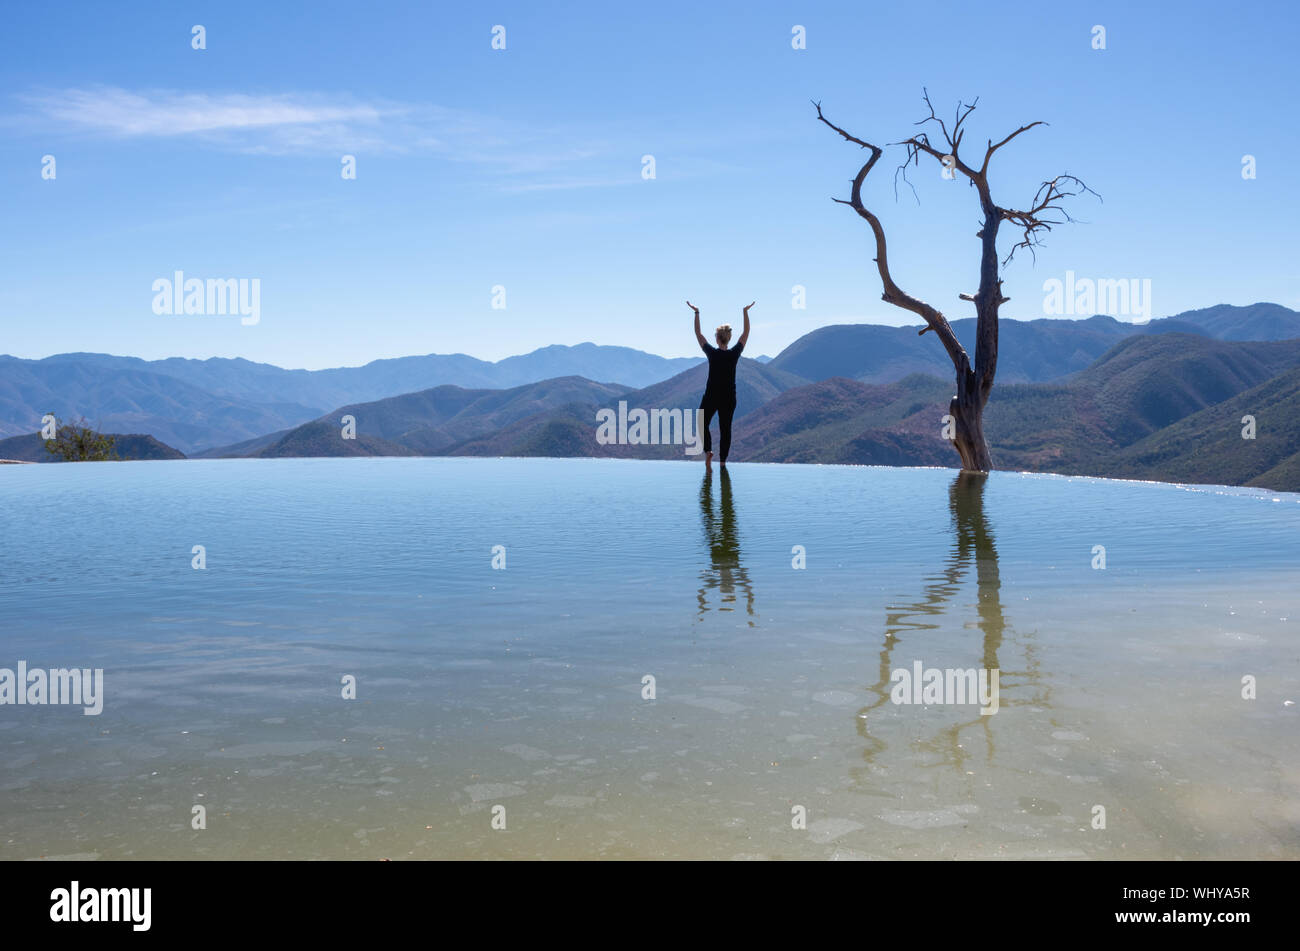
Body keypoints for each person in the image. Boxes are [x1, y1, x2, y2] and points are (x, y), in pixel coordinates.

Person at [687, 300, 752, 467]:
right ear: (729, 338)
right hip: (729, 397)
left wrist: (697, 312)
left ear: (717, 338)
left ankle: (708, 451)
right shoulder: (734, 354)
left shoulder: (712, 353)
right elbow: (746, 333)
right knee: (725, 430)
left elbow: (698, 334)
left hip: (712, 395)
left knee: (702, 422)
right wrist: (745, 312)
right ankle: (722, 462)